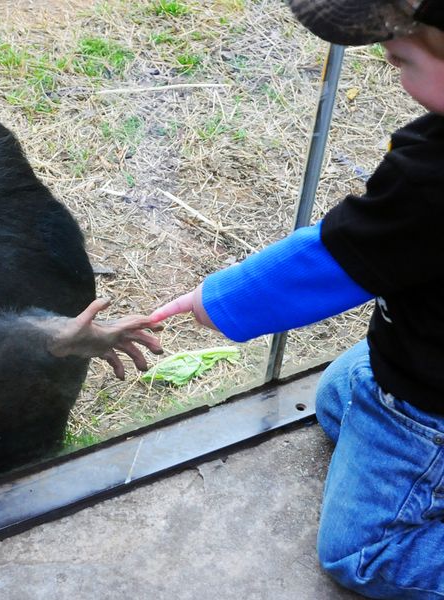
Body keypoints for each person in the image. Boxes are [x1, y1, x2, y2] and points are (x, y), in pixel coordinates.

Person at [150, 1, 444, 598]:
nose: (394, 72)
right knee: (338, 398)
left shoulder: (433, 181)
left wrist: (221, 301)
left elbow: (340, 258)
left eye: (400, 61)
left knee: (363, 553)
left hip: (430, 401)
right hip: (418, 352)